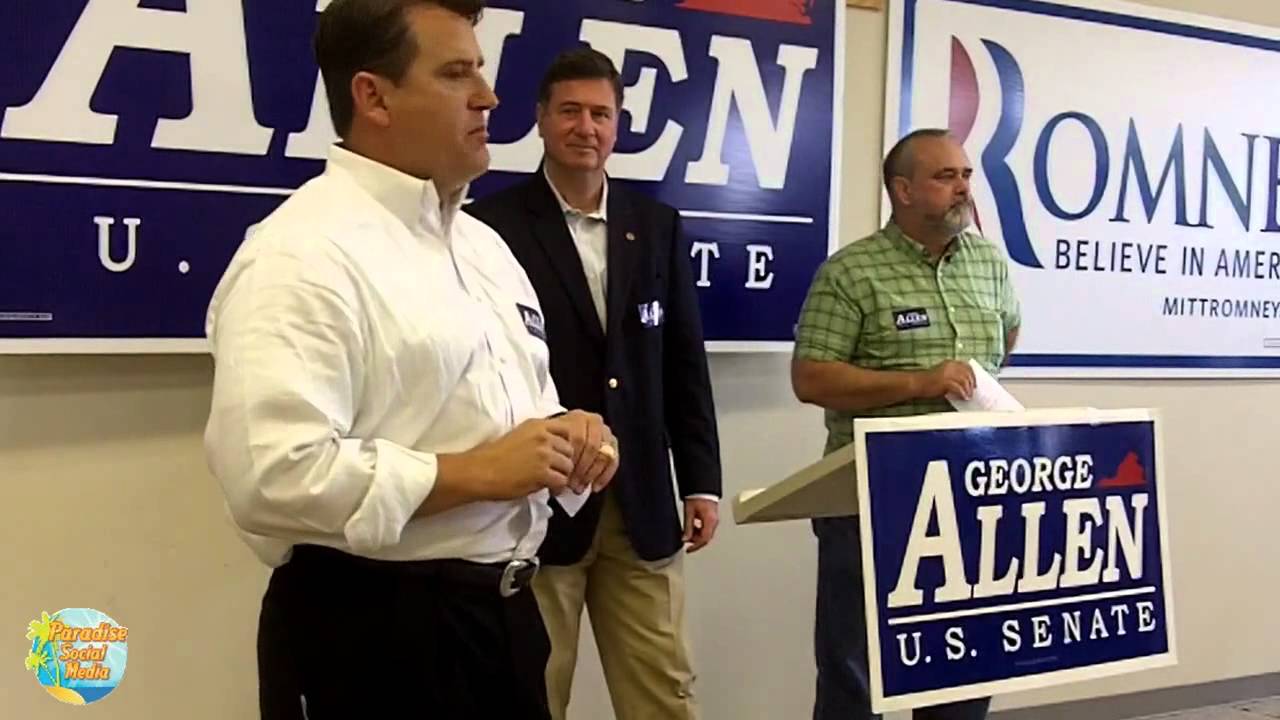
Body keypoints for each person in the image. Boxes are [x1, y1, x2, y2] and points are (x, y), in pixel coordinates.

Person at [202, 2, 619, 717]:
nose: (488, 97)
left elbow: (519, 414)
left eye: (480, 71)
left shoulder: (484, 249)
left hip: (507, 622)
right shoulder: (301, 253)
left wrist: (572, 437)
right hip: (374, 635)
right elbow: (270, 474)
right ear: (374, 96)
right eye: (457, 74)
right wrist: (475, 474)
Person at [466, 47, 722, 720]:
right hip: (539, 506)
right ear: (542, 120)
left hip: (641, 506)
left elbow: (682, 362)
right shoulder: (490, 228)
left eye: (601, 113)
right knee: (532, 691)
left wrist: (701, 481)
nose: (587, 127)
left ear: (619, 125)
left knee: (664, 690)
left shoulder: (655, 225)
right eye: (571, 111)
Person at [790, 128, 1022, 720]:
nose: (963, 188)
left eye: (966, 175)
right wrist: (920, 383)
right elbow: (811, 378)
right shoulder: (850, 273)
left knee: (963, 663)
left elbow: (1008, 336)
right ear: (903, 190)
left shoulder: (990, 263)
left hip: (969, 499)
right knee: (854, 672)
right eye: (946, 177)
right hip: (869, 502)